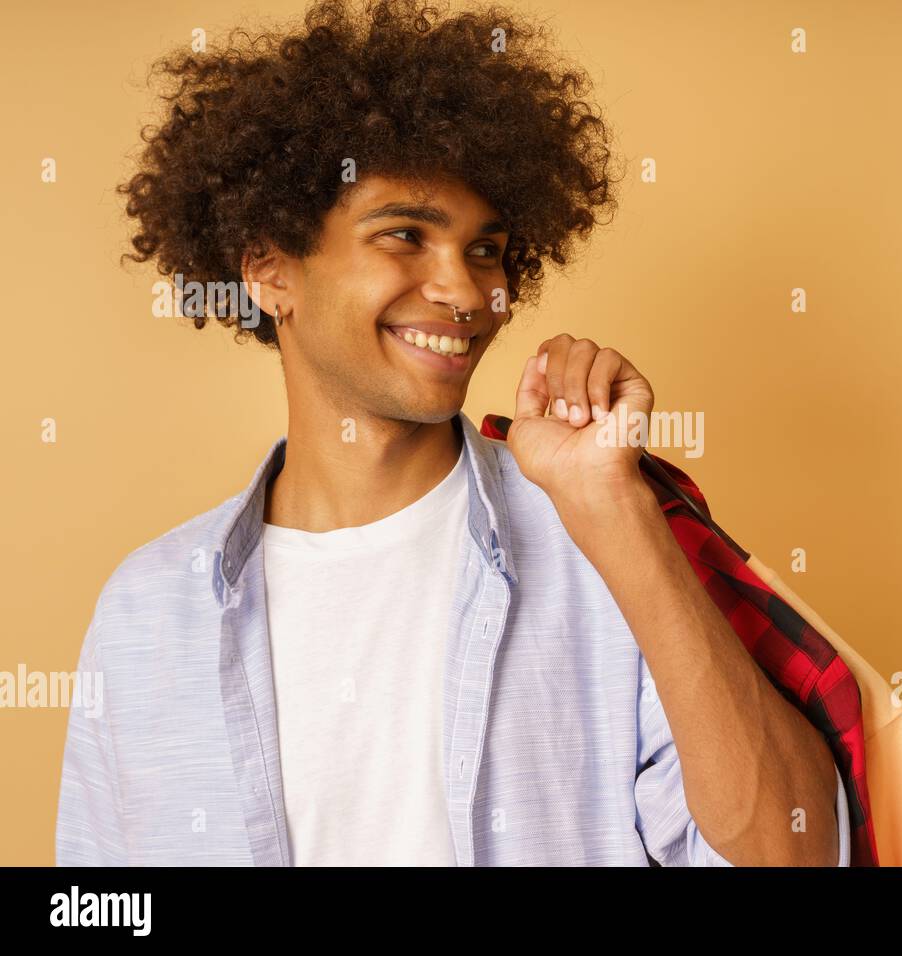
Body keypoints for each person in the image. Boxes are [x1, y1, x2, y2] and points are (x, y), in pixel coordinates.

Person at [56, 0, 850, 866]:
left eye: (484, 250)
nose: (468, 294)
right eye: (405, 235)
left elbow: (794, 854)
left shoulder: (601, 546)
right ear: (270, 270)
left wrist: (615, 509)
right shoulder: (146, 611)